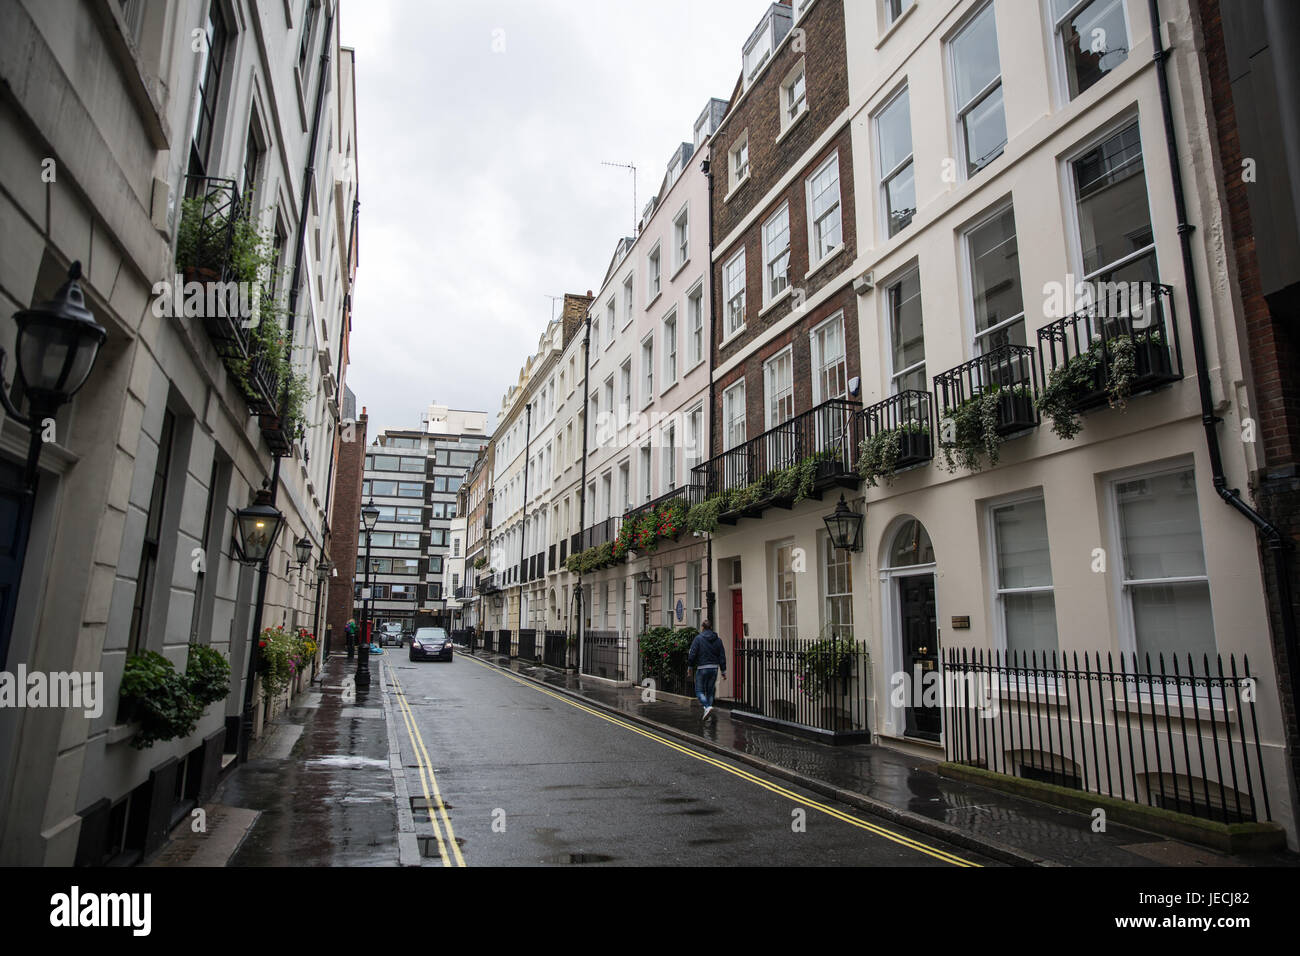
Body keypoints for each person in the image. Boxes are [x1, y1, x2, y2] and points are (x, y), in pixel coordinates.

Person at [687, 620, 726, 720]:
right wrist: (723, 671)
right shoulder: (718, 640)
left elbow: (692, 654)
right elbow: (722, 656)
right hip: (714, 668)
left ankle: (707, 707)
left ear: (703, 627)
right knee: (710, 691)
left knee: (699, 691)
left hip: (702, 668)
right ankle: (707, 712)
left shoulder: (698, 638)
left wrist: (690, 667)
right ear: (711, 628)